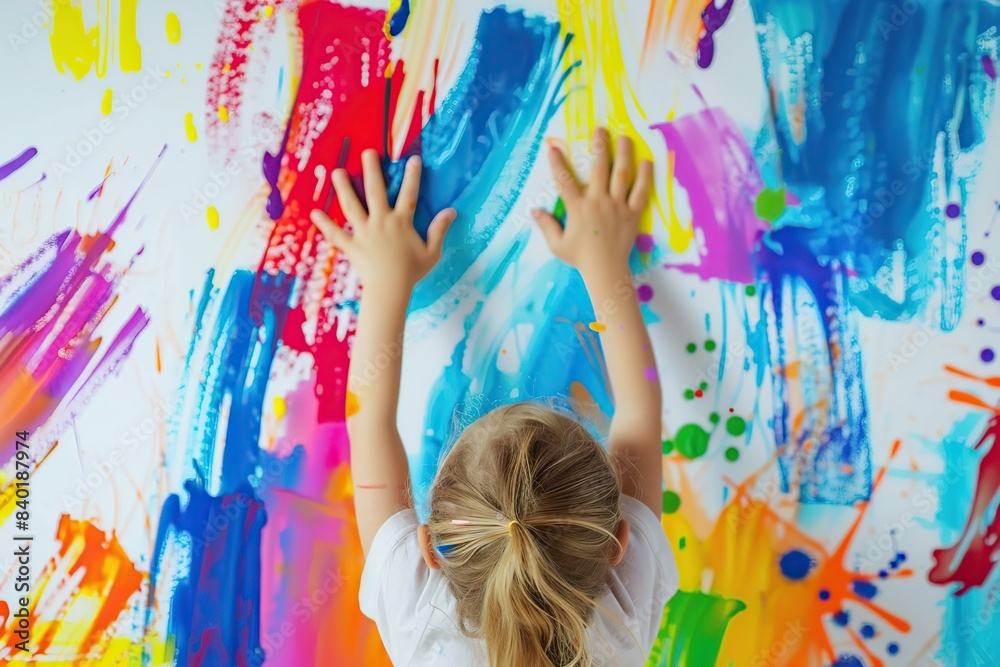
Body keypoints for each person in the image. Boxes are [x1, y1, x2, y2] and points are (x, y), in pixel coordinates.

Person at [311, 127, 678, 666]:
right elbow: (639, 415)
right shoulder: (417, 618)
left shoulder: (621, 613)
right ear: (616, 542)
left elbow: (640, 417)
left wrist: (387, 277)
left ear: (430, 550)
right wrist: (605, 263)